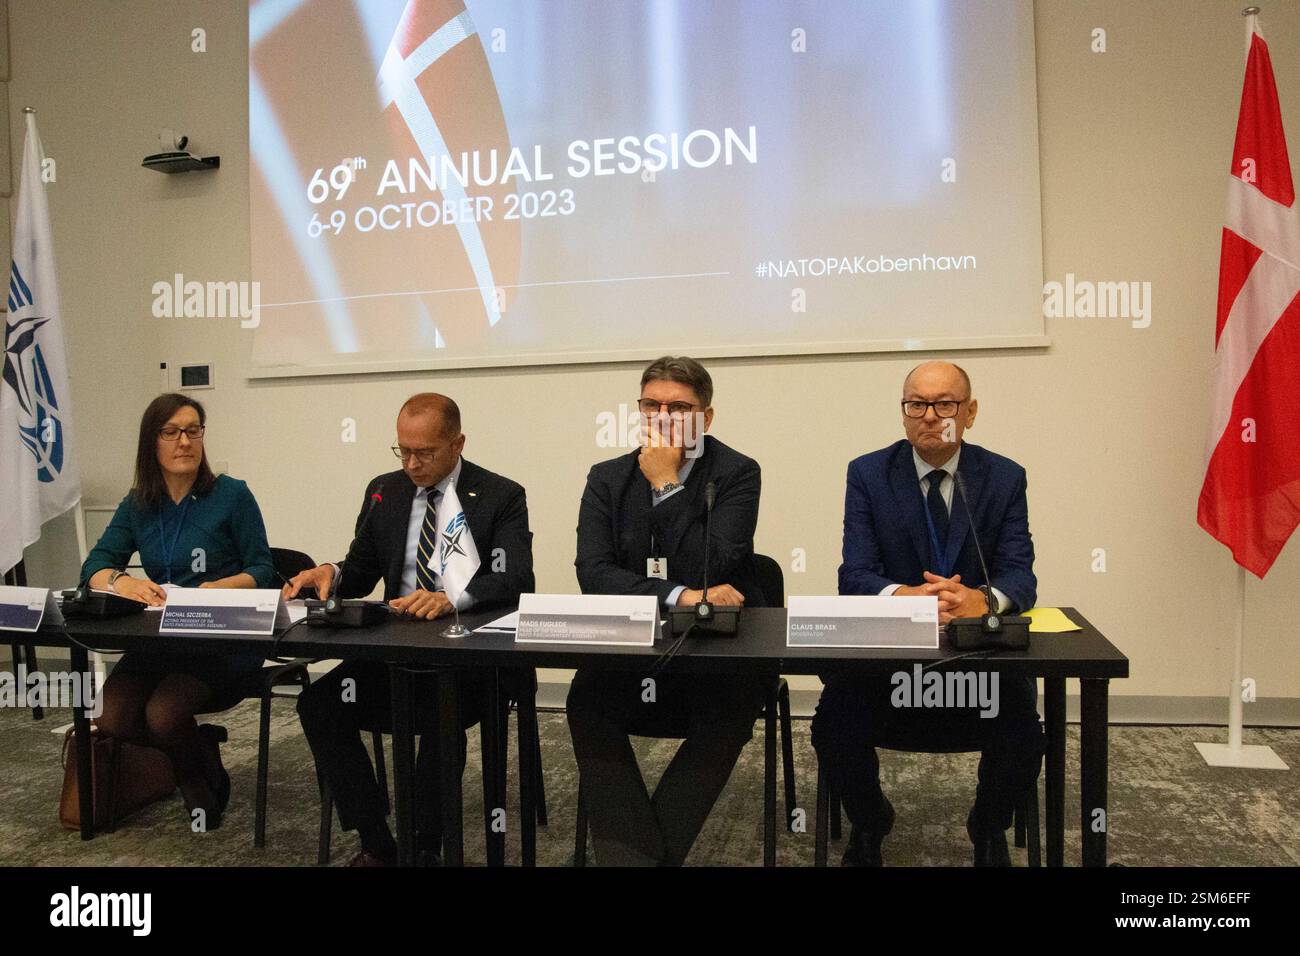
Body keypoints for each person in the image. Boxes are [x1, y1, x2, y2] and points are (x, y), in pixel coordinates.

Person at [286, 393, 534, 866]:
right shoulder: (385, 490)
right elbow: (358, 571)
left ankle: (424, 849)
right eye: (404, 450)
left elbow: (516, 579)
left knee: (441, 720)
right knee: (319, 705)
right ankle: (376, 841)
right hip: (392, 652)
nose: (413, 464)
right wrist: (328, 573)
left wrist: (452, 598)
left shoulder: (500, 494)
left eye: (426, 452)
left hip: (465, 659)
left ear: (458, 443)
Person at [812, 361, 1043, 866]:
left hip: (977, 663)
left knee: (1023, 733)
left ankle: (988, 826)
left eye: (945, 404)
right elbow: (854, 575)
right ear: (903, 412)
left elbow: (1020, 577)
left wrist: (983, 600)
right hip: (888, 663)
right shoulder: (869, 473)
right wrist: (902, 596)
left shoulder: (1003, 477)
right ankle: (870, 821)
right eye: (916, 404)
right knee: (833, 725)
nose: (929, 416)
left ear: (971, 412)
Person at [567, 355, 769, 866]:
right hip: (631, 645)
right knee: (585, 700)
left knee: (733, 707)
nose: (663, 416)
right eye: (651, 405)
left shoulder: (738, 473)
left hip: (714, 650)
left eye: (679, 407)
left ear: (707, 416)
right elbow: (593, 573)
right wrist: (680, 595)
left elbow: (716, 562)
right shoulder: (608, 478)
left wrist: (666, 484)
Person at [82, 393, 276, 830]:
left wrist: (218, 588)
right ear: (152, 443)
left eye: (193, 430)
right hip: (161, 638)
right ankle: (199, 747)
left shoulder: (231, 496)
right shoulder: (138, 504)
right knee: (111, 718)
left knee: (162, 714)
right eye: (171, 432)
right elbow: (94, 568)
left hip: (222, 638)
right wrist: (125, 582)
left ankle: (195, 779)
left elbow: (264, 570)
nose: (184, 441)